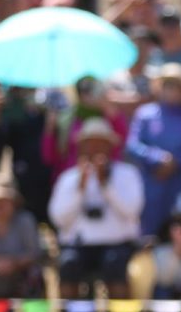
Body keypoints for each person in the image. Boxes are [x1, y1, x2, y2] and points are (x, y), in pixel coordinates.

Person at [48, 118, 145, 300]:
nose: (95, 149)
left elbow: (132, 211)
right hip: (78, 246)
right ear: (81, 147)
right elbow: (58, 218)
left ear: (110, 147)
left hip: (118, 245)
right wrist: (80, 190)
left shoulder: (127, 174)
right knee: (68, 264)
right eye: (89, 144)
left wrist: (105, 186)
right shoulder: (68, 178)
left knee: (115, 264)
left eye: (100, 144)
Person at [125, 64, 181, 235]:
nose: (172, 91)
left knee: (180, 230)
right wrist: (156, 158)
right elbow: (132, 145)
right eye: (168, 86)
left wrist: (176, 162)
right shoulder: (145, 114)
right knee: (149, 235)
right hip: (151, 184)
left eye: (177, 87)